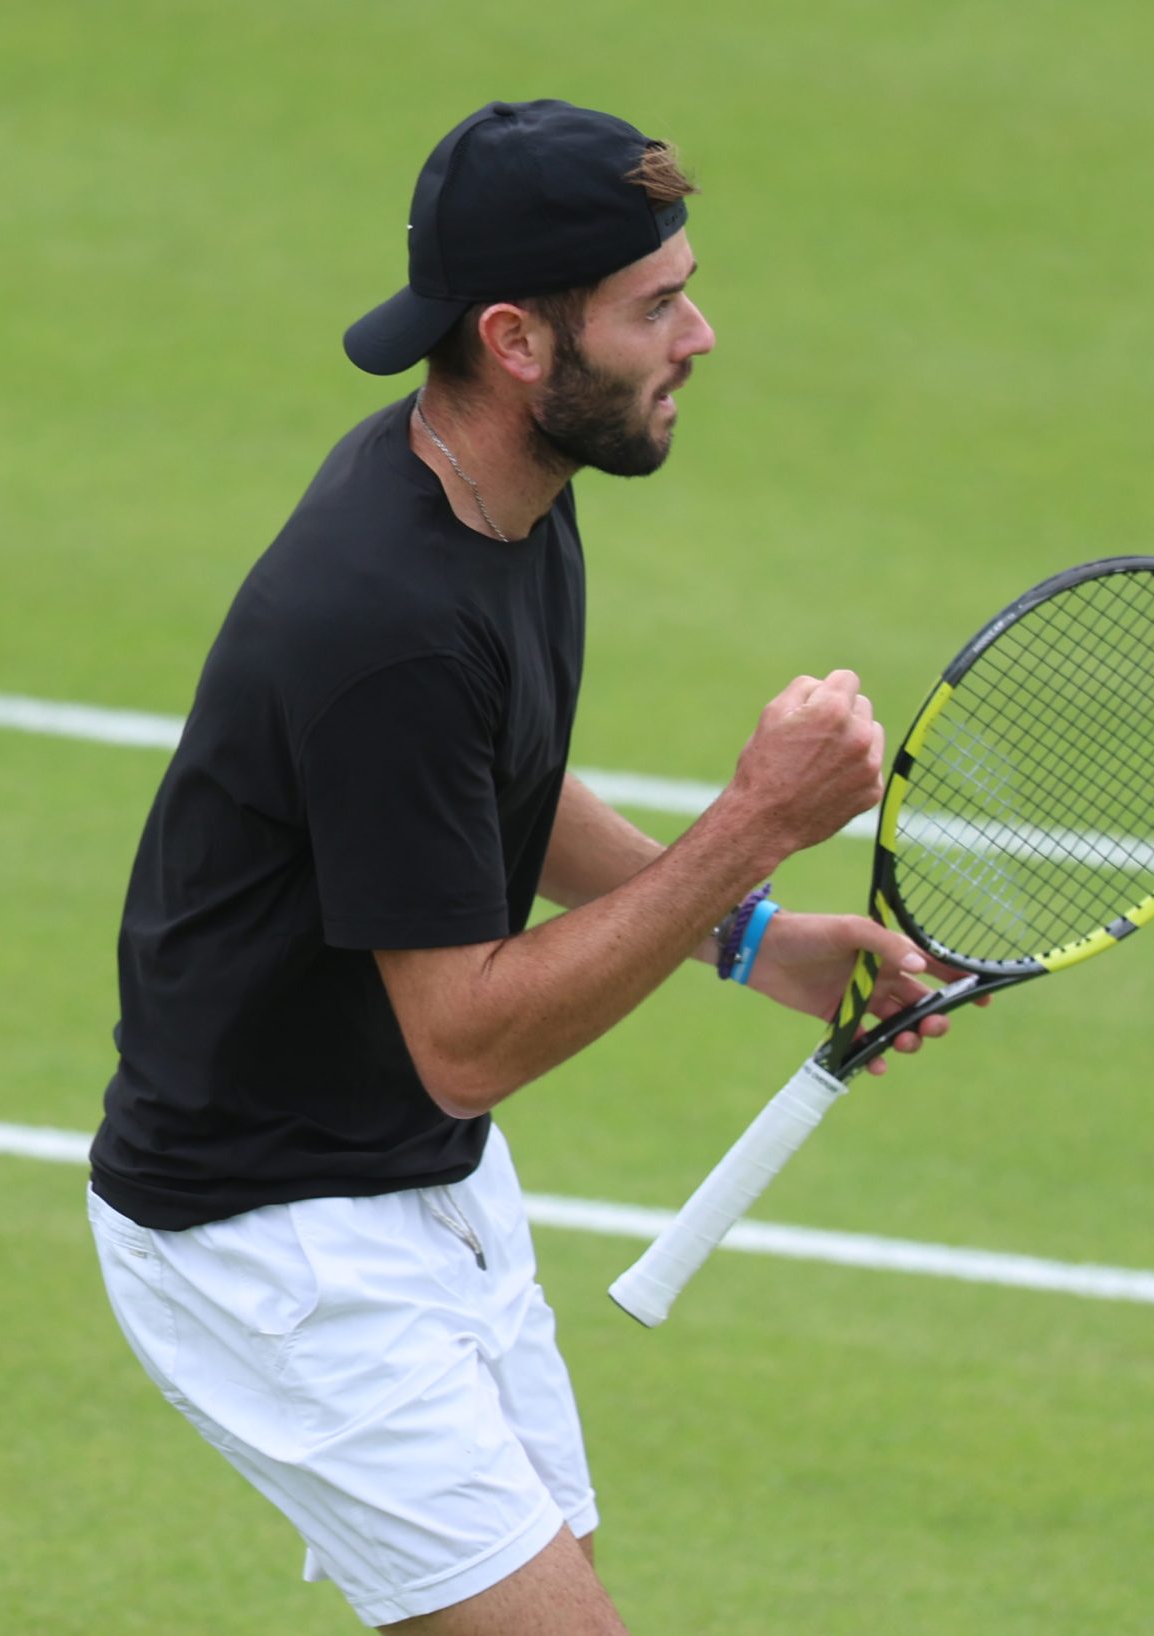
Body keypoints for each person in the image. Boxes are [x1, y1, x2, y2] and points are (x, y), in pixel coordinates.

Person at [86, 99, 966, 1634]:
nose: (700, 334)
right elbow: (467, 1044)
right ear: (515, 339)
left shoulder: (507, 500)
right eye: (653, 306)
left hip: (411, 1188)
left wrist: (756, 937)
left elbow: (507, 787)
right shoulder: (385, 618)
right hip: (274, 1241)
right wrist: (751, 820)